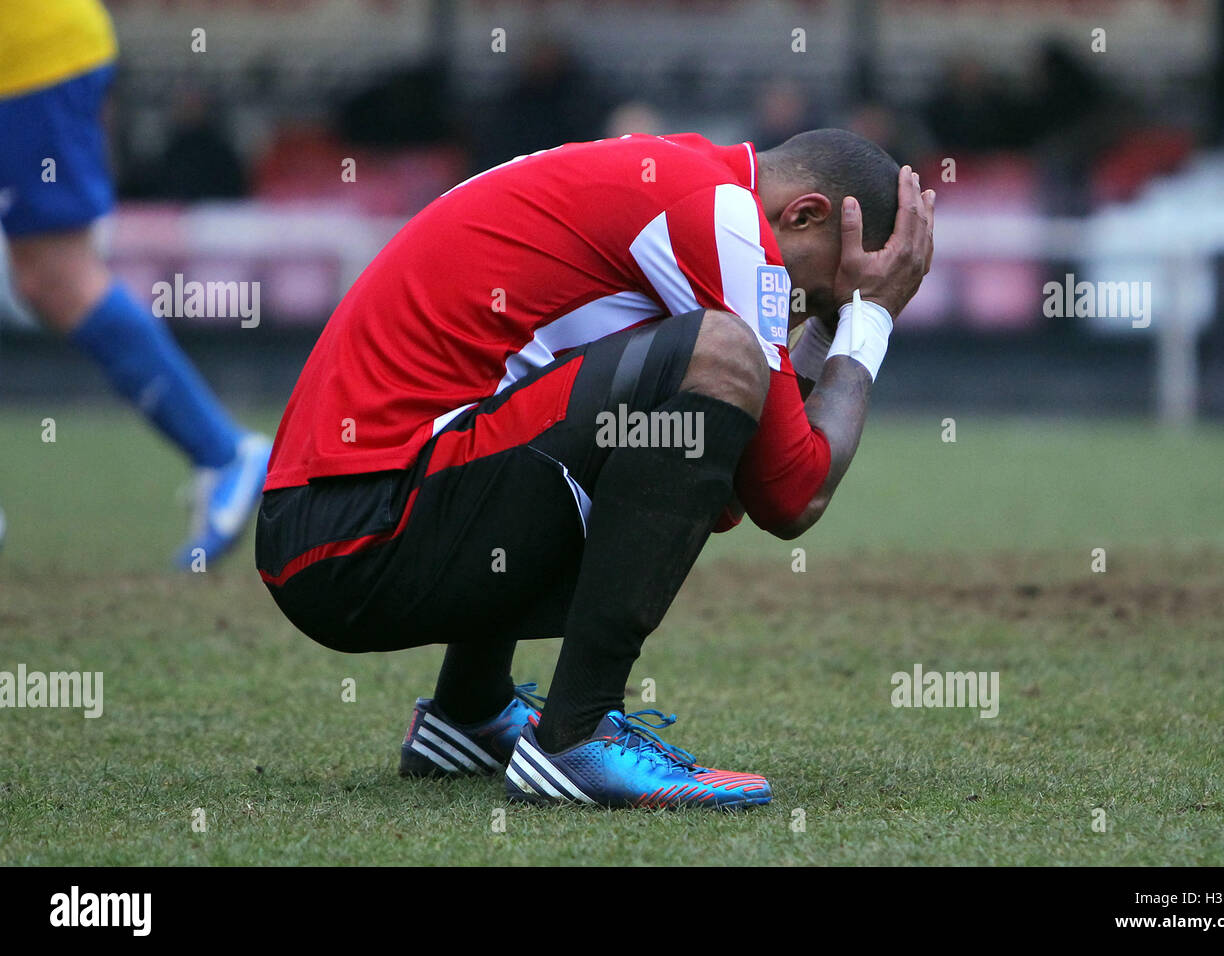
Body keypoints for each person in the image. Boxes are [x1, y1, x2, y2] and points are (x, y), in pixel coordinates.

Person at [255, 129, 934, 809]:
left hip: (334, 521)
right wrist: (867, 320)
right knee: (723, 353)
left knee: (679, 396)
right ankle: (576, 736)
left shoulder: (672, 179)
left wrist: (828, 320)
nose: (806, 310)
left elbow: (738, 471)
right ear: (806, 214)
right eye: (815, 295)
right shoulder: (720, 212)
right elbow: (793, 493)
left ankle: (470, 711)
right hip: (356, 529)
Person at [0, 0, 269, 568]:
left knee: (57, 271)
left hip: (28, 56)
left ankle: (225, 454)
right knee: (51, 277)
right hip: (41, 48)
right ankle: (224, 454)